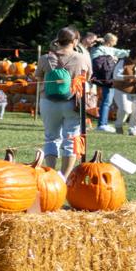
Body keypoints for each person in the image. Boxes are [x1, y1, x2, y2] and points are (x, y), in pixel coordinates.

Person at [36, 27, 91, 175]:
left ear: (57, 40)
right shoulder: (82, 58)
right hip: (73, 102)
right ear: (74, 41)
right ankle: (64, 176)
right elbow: (88, 78)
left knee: (51, 137)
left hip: (48, 101)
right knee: (71, 137)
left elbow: (39, 78)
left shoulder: (45, 58)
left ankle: (51, 174)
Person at [112, 48, 136, 136]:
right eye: (135, 58)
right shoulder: (123, 62)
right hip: (122, 89)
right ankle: (118, 125)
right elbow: (116, 76)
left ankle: (134, 130)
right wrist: (132, 77)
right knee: (125, 109)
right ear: (131, 57)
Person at [91, 32, 125, 132]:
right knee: (106, 101)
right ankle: (102, 124)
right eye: (114, 41)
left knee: (108, 101)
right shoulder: (100, 49)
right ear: (110, 41)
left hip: (111, 77)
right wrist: (110, 58)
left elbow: (123, 52)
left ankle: (104, 123)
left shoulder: (111, 50)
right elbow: (96, 60)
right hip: (106, 78)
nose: (116, 43)